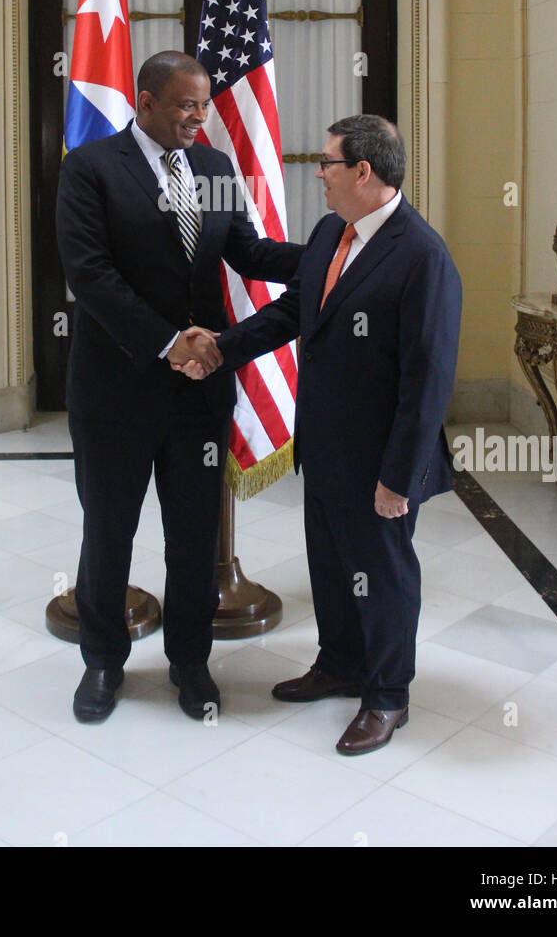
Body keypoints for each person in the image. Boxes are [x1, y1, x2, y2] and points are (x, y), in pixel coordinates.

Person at [176, 115, 461, 755]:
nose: (319, 174)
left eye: (327, 163)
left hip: (380, 461)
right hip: (325, 446)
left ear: (363, 171)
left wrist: (398, 478)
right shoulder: (334, 230)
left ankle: (388, 696)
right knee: (331, 566)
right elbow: (290, 310)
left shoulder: (422, 256)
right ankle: (339, 664)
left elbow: (428, 380)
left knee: (384, 576)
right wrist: (222, 348)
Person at [56, 50, 303, 723]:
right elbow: (91, 276)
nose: (199, 118)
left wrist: (331, 252)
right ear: (145, 102)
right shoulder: (91, 169)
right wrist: (169, 344)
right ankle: (103, 661)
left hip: (200, 390)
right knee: (109, 531)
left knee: (194, 535)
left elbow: (247, 252)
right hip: (117, 391)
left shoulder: (215, 168)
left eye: (203, 106)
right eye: (185, 106)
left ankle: (189, 664)